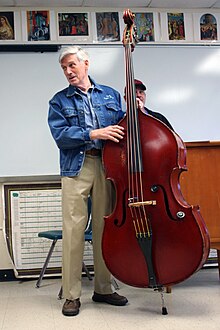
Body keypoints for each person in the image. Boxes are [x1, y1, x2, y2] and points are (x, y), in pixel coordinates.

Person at [48, 45, 128, 317]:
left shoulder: (111, 95)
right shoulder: (59, 101)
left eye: (72, 65)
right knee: (73, 232)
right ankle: (71, 295)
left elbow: (124, 130)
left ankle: (103, 289)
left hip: (108, 167)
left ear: (85, 64)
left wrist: (138, 110)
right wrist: (94, 132)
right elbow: (61, 136)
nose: (68, 71)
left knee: (106, 228)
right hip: (76, 167)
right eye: (64, 68)